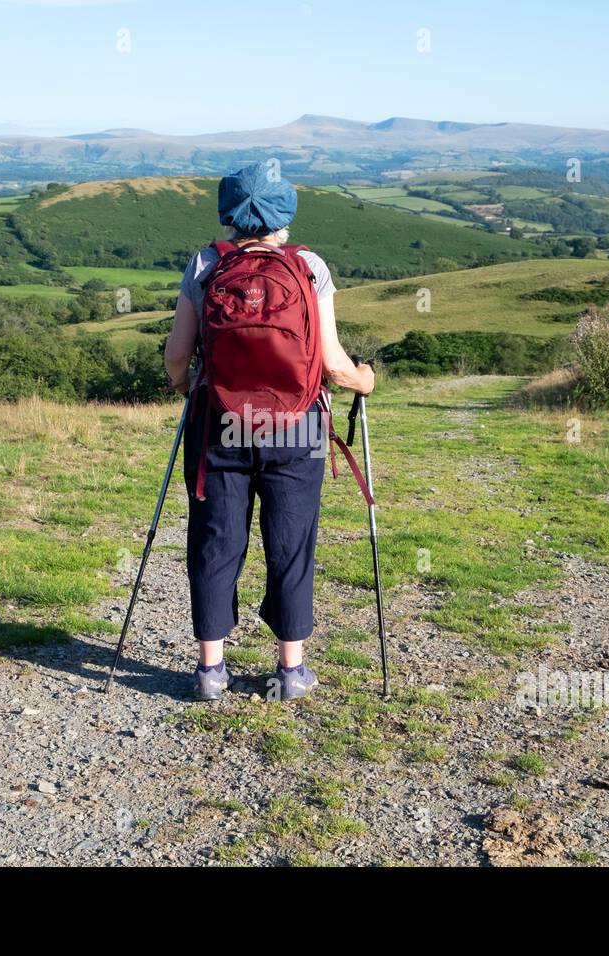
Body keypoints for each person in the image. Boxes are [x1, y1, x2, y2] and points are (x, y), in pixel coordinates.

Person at [164, 163, 374, 701]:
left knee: (216, 541)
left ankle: (211, 671)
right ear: (285, 211)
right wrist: (363, 381)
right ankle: (290, 670)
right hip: (297, 426)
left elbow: (177, 355)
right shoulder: (308, 267)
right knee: (291, 542)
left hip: (220, 422)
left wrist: (188, 386)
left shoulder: (208, 263)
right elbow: (331, 363)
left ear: (228, 211)